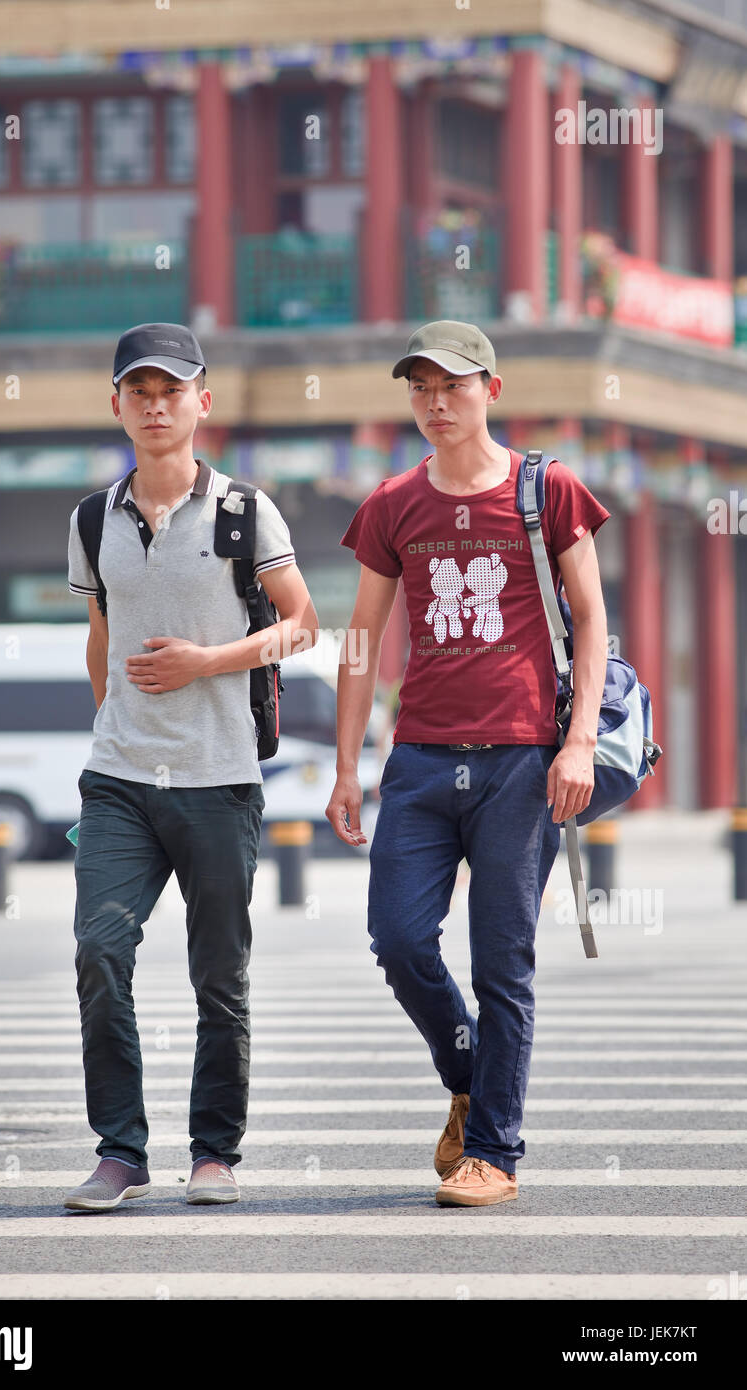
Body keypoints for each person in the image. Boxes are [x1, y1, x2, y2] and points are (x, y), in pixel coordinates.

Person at [326, 321, 610, 1207]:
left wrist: (579, 740)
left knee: (503, 962)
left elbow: (593, 620)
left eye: (451, 385)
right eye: (419, 387)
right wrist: (346, 765)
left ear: (492, 387)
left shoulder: (547, 489)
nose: (434, 402)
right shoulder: (392, 503)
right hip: (417, 760)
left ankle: (494, 1152)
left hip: (522, 761)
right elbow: (362, 640)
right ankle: (469, 1071)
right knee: (400, 938)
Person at [64, 322, 317, 1212]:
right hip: (122, 778)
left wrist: (206, 663)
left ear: (202, 402)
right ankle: (120, 1152)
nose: (157, 405)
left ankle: (215, 1152)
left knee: (219, 972)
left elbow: (301, 623)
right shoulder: (93, 518)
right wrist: (112, 725)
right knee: (100, 948)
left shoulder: (248, 511)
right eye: (140, 391)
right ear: (118, 406)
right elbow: (101, 635)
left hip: (218, 777)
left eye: (173, 390)